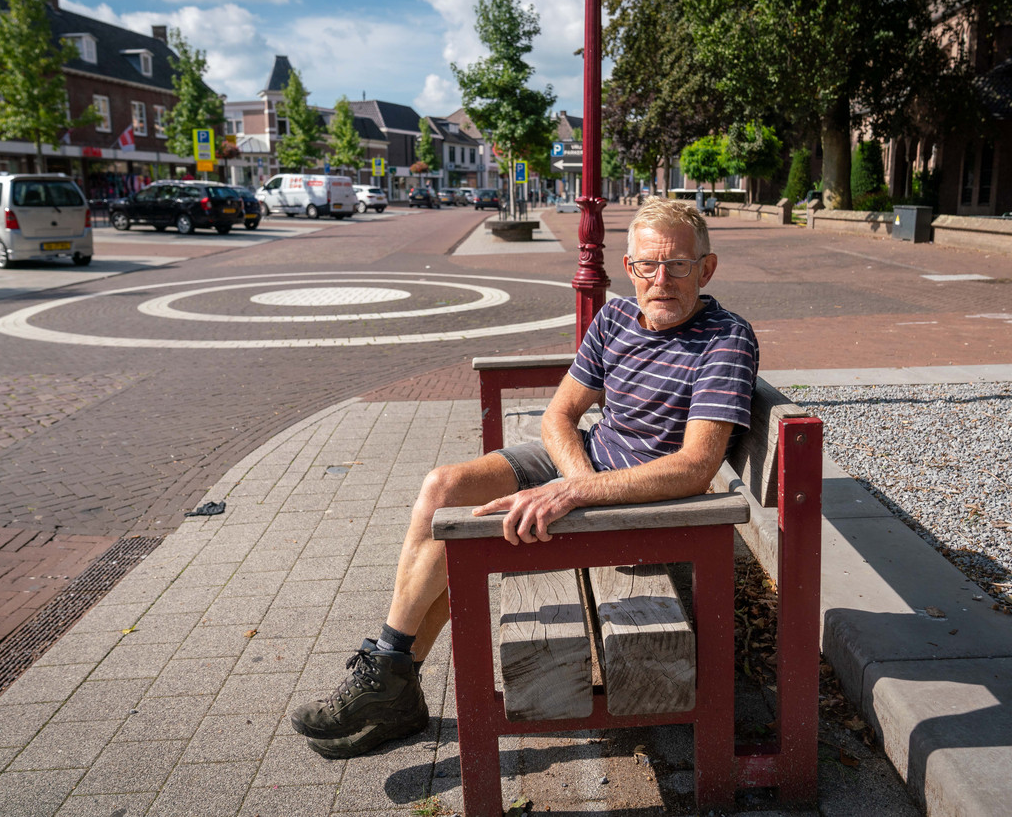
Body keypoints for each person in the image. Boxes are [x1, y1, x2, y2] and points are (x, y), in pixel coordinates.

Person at [289, 197, 759, 758]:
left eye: (677, 265)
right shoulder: (614, 318)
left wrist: (578, 493)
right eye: (647, 265)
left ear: (706, 269)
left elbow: (695, 467)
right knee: (443, 489)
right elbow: (559, 415)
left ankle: (390, 680)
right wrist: (575, 478)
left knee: (462, 540)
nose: (661, 280)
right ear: (629, 267)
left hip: (637, 504)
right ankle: (392, 670)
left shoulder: (724, 339)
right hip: (584, 470)